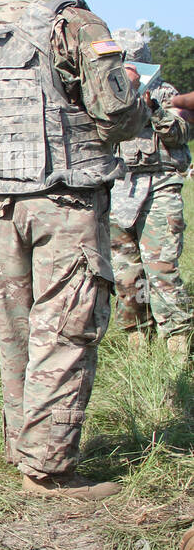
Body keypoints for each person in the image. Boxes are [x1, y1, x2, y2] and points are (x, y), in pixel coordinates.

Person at [0, 0, 145, 500]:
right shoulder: (78, 24)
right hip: (65, 201)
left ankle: (23, 447)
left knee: (14, 329)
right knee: (63, 329)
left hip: (1, 203)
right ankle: (50, 469)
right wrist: (135, 94)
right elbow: (115, 115)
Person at [109, 53, 193, 355]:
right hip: (118, 188)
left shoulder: (166, 94)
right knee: (125, 276)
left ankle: (177, 342)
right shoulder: (104, 93)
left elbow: (183, 133)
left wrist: (152, 108)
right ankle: (138, 341)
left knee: (161, 270)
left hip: (159, 187)